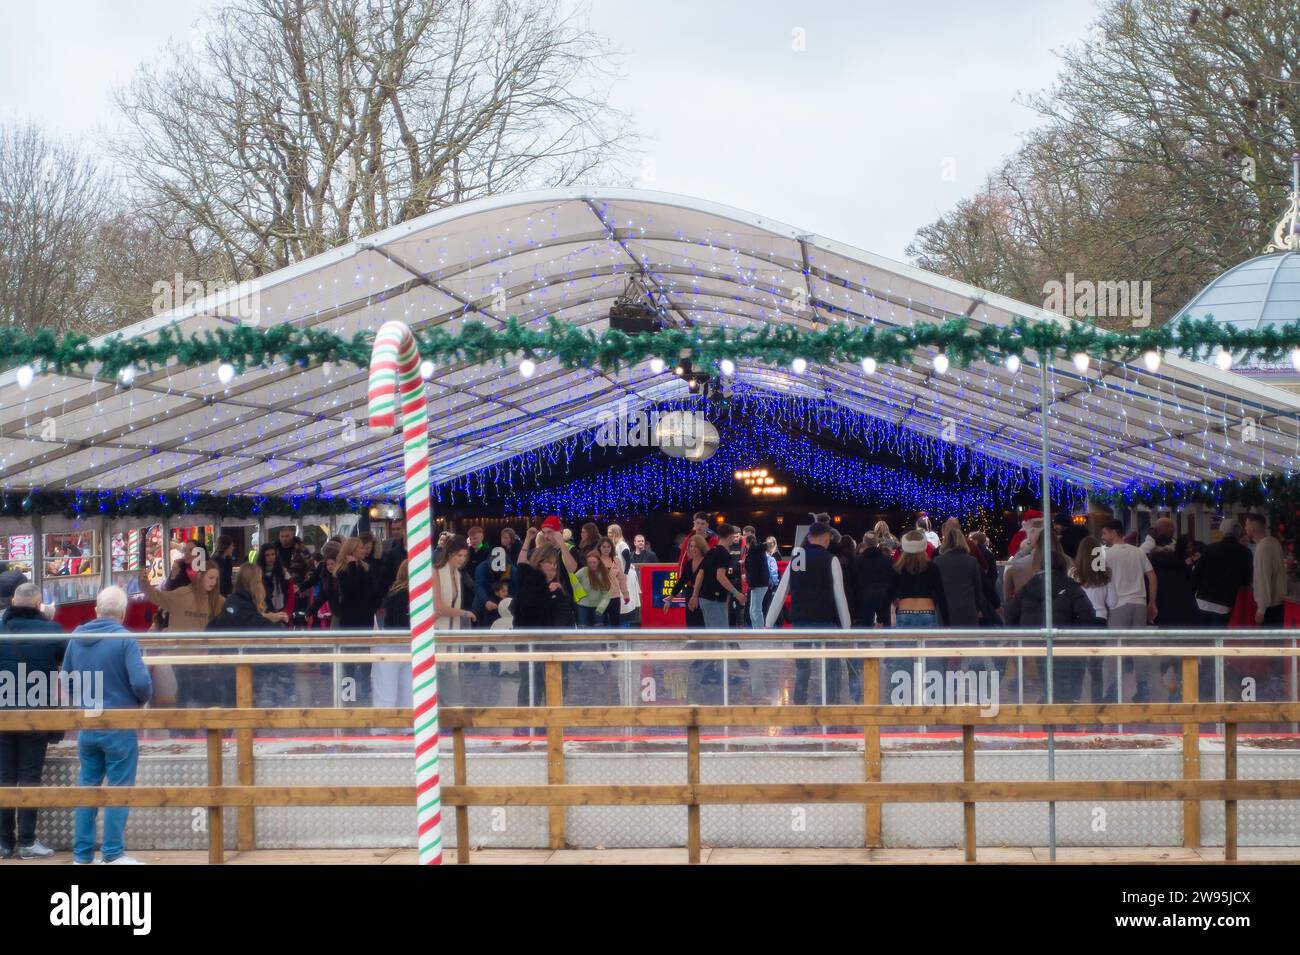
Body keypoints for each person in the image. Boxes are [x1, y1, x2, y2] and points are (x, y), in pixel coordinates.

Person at [64, 586, 152, 865]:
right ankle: (112, 854)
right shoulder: (125, 639)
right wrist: (140, 700)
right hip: (119, 725)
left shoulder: (77, 636)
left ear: (96, 610)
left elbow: (65, 678)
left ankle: (82, 856)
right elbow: (141, 683)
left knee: (87, 788)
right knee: (118, 788)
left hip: (87, 726)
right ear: (123, 613)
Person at [0, 583, 65, 859]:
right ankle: (27, 841)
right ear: (39, 605)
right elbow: (67, 663)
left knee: (3, 777)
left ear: (12, 602)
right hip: (36, 714)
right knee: (29, 777)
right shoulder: (53, 631)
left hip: (2, 713)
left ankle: (3, 843)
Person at [1005, 529, 1103, 702]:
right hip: (1065, 639)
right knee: (1067, 675)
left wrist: (1018, 631)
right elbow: (1087, 613)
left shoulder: (1028, 587)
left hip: (1037, 640)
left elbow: (1011, 611)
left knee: (1046, 674)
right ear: (1063, 566)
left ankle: (1050, 701)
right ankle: (1067, 703)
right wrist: (1081, 633)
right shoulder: (1071, 587)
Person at [766, 522, 851, 705]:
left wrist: (768, 622)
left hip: (801, 620)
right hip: (825, 621)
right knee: (830, 668)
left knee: (803, 668)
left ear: (809, 537)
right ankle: (829, 704)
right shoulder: (831, 559)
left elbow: (782, 591)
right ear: (827, 539)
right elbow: (840, 596)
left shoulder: (798, 557)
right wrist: (847, 628)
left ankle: (799, 703)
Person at [1100, 518, 1158, 701]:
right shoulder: (1138, 552)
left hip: (1118, 604)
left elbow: (1102, 582)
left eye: (1104, 533)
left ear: (1114, 532)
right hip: (1139, 603)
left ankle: (1112, 689)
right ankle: (1143, 687)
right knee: (1138, 648)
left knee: (1114, 649)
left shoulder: (1106, 555)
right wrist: (1152, 602)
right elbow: (1152, 577)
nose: (1102, 537)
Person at [372, 560, 413, 732]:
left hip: (399, 645)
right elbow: (399, 621)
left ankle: (386, 728)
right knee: (399, 691)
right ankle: (393, 727)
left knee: (393, 691)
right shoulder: (402, 594)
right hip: (397, 645)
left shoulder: (395, 592)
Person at [1192, 518, 1252, 627]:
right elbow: (1246, 580)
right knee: (1218, 639)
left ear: (1222, 531)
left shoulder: (1210, 548)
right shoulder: (1245, 553)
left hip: (1203, 600)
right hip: (1225, 603)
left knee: (1202, 639)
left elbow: (1196, 574)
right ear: (1238, 532)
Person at [891, 530, 950, 629]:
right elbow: (941, 595)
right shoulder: (932, 567)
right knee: (928, 644)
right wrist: (947, 623)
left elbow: (889, 593)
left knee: (904, 644)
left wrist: (881, 618)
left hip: (905, 611)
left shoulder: (898, 568)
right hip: (927, 612)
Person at [934, 522, 988, 629]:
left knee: (946, 643)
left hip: (945, 610)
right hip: (968, 609)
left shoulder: (937, 561)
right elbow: (977, 588)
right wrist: (978, 608)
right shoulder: (972, 561)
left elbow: (935, 589)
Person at [693, 524, 745, 630]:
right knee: (720, 635)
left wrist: (695, 595)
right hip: (715, 599)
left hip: (704, 598)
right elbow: (720, 576)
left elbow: (700, 575)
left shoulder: (711, 551)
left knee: (711, 634)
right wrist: (737, 593)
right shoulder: (724, 553)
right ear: (730, 536)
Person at [1245, 513, 1287, 627]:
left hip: (1269, 608)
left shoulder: (1262, 548)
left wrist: (1261, 610)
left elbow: (1263, 580)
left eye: (1246, 525)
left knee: (1269, 643)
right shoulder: (1274, 542)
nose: (1245, 528)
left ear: (1253, 527)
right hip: (1279, 605)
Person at [856, 533, 894, 627]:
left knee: (865, 625)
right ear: (877, 542)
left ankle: (864, 641)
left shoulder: (858, 560)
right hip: (884, 594)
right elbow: (891, 578)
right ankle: (889, 642)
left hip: (865, 595)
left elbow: (856, 580)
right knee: (886, 623)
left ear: (864, 543)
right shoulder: (887, 559)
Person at [672, 535, 709, 629]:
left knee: (703, 625)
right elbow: (682, 580)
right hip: (690, 595)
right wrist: (671, 596)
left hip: (705, 596)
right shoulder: (689, 563)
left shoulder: (707, 561)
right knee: (691, 624)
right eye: (691, 546)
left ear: (701, 547)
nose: (693, 549)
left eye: (695, 546)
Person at [607, 525, 641, 627]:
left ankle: (623, 628)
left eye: (610, 532)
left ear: (616, 533)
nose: (608, 534)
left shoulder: (622, 544)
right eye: (608, 532)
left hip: (626, 575)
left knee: (624, 602)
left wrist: (625, 574)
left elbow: (628, 560)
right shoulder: (614, 545)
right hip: (618, 576)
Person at [575, 550, 612, 627]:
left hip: (598, 607)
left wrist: (601, 608)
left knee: (598, 631)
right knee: (583, 630)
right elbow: (572, 581)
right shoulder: (582, 571)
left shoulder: (604, 573)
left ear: (599, 561)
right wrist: (578, 596)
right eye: (589, 563)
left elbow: (608, 592)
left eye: (594, 562)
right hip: (582, 606)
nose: (591, 565)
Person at [743, 532, 770, 628]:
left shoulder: (753, 554)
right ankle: (757, 630)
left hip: (758, 584)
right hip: (760, 584)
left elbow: (753, 571)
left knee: (755, 609)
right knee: (753, 609)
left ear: (747, 543)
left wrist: (751, 584)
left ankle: (759, 631)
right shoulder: (758, 552)